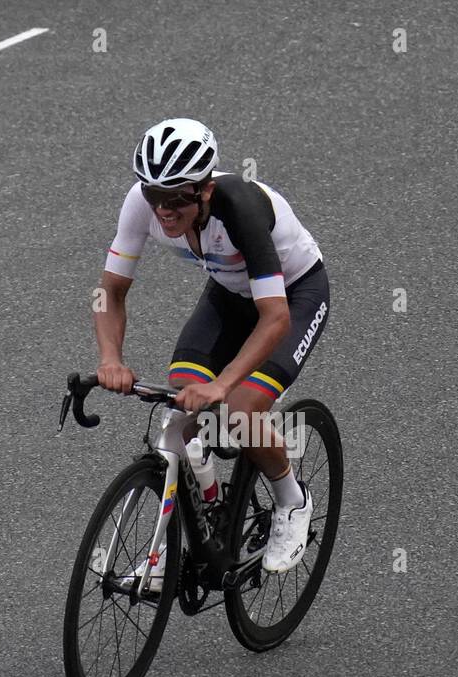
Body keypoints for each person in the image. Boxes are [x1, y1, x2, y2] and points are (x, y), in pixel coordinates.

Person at [93, 118, 330, 574]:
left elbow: (275, 318)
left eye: (176, 197)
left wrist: (223, 385)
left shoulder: (239, 206)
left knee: (239, 410)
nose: (163, 209)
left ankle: (292, 500)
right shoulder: (142, 202)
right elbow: (110, 293)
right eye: (153, 194)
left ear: (203, 190)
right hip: (230, 293)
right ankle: (186, 528)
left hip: (294, 295)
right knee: (182, 404)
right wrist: (110, 359)